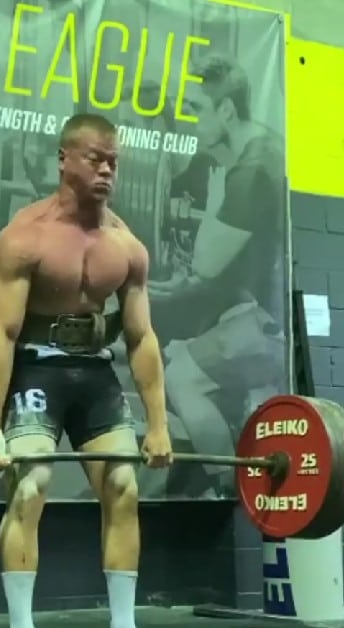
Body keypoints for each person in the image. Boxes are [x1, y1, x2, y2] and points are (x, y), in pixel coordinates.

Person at [0, 113, 174, 628]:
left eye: (114, 161)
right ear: (65, 159)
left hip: (94, 374)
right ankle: (22, 623)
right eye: (95, 159)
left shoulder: (127, 247)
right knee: (30, 484)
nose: (107, 170)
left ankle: (124, 622)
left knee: (125, 487)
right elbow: (1, 335)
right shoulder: (25, 237)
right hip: (35, 370)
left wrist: (158, 425)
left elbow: (141, 338)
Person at [146, 54, 286, 492]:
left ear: (226, 110)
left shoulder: (250, 172)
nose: (189, 120)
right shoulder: (258, 147)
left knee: (179, 376)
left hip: (268, 327)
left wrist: (215, 196)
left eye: (196, 109)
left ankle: (227, 485)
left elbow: (207, 262)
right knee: (177, 339)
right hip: (253, 310)